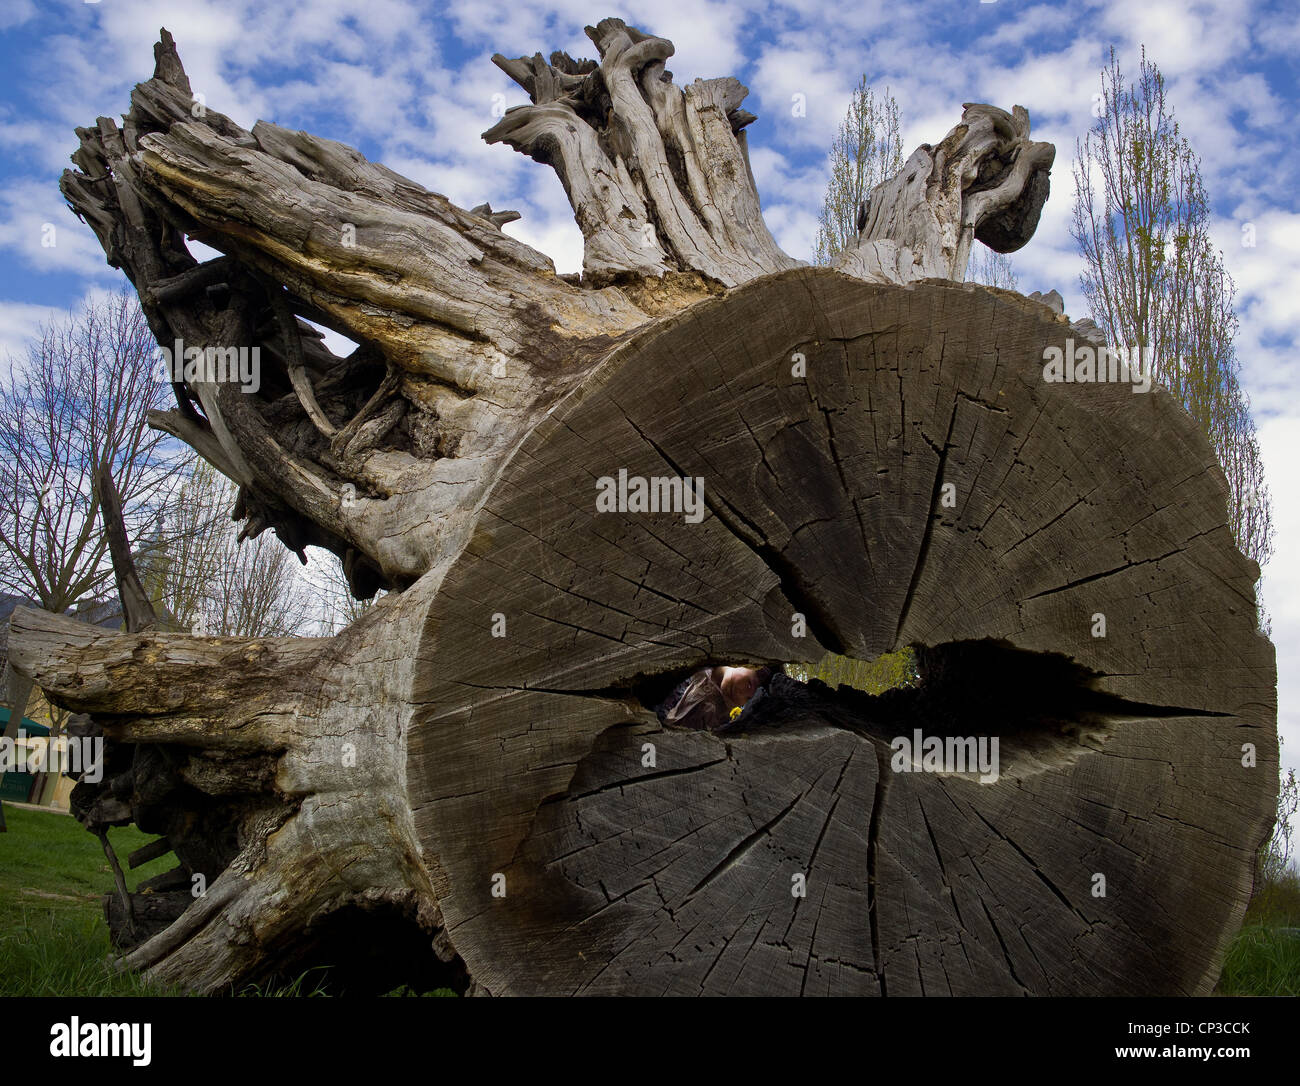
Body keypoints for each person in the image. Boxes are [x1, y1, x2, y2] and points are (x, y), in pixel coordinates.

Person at [658, 665, 773, 732]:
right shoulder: (699, 670)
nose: (741, 694)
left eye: (748, 699)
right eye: (748, 684)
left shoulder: (727, 718)